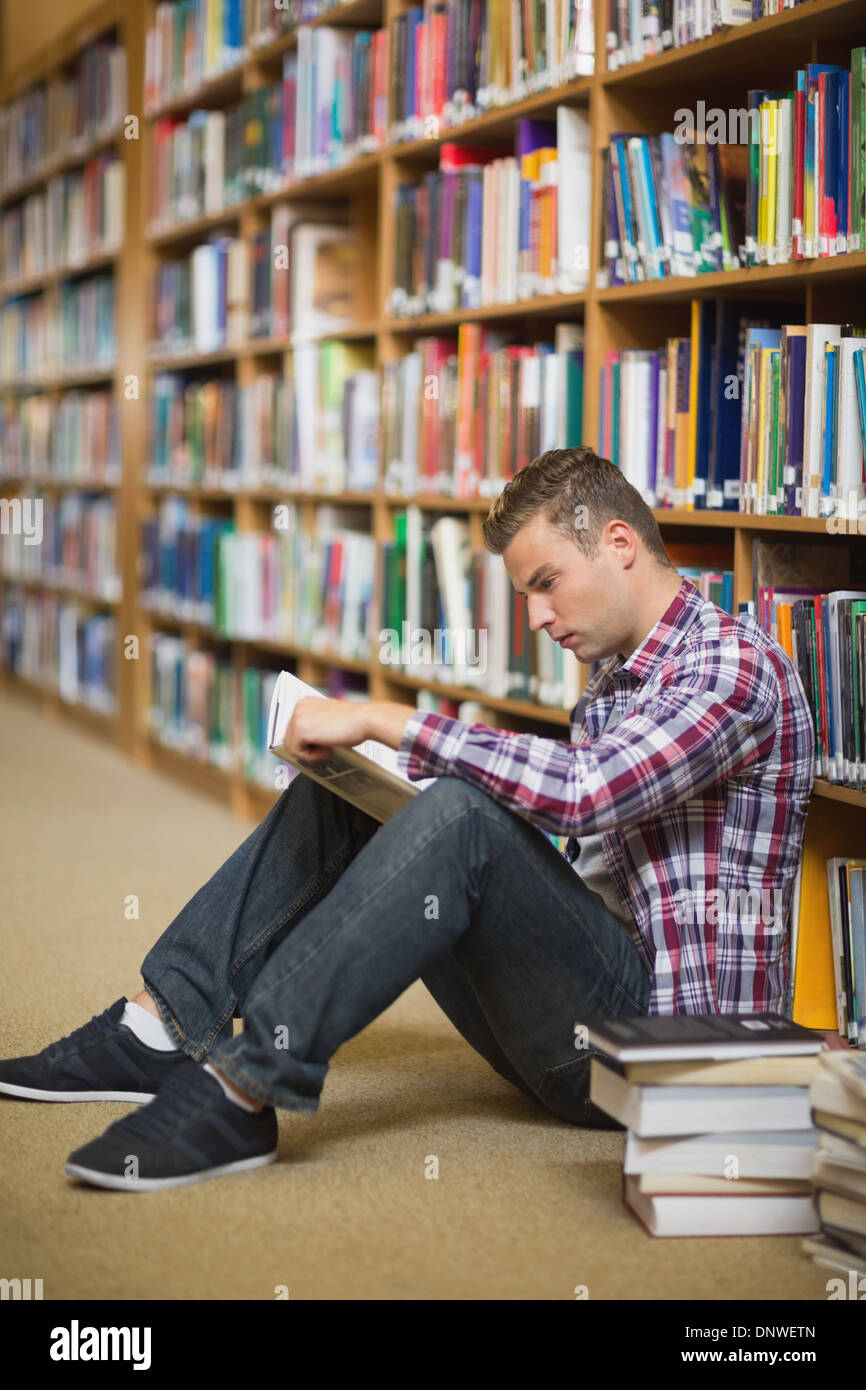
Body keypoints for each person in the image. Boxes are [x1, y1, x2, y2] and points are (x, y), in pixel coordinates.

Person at [0, 447, 815, 1191]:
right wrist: (389, 770)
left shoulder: (731, 667)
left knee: (455, 811)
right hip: (580, 1019)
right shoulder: (617, 675)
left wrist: (388, 721)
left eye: (545, 583)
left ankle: (242, 1091)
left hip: (667, 1058)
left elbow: (588, 791)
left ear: (620, 544)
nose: (535, 616)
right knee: (353, 789)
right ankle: (159, 1027)